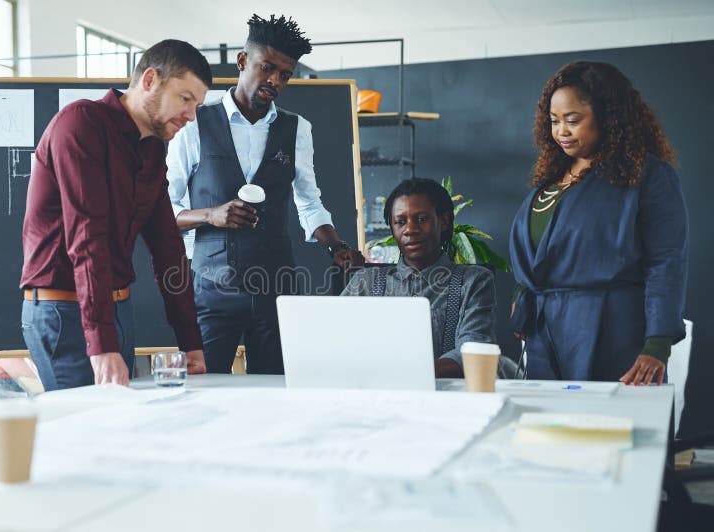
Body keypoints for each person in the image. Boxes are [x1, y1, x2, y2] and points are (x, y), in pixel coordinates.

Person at [167, 14, 364, 375]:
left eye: (285, 75)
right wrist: (210, 215)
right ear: (243, 62)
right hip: (213, 285)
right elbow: (165, 210)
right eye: (267, 68)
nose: (274, 81)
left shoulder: (296, 128)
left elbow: (308, 200)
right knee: (205, 388)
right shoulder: (195, 122)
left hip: (277, 287)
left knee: (274, 389)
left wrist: (336, 246)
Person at [20, 40, 211, 391]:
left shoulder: (153, 149)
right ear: (150, 79)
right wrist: (102, 344)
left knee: (119, 432)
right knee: (83, 434)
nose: (191, 115)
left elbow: (168, 246)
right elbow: (87, 237)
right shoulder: (79, 125)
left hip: (116, 311)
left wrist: (190, 339)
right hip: (65, 314)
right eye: (185, 98)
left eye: (197, 104)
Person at [509, 61, 689, 385]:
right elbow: (538, 255)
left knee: (606, 431)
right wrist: (522, 295)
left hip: (613, 333)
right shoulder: (549, 180)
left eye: (573, 120)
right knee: (550, 431)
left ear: (608, 116)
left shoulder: (647, 175)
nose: (561, 131)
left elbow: (666, 262)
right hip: (544, 334)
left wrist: (658, 344)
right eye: (554, 121)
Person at [341, 178, 497, 378]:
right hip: (375, 398)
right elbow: (337, 343)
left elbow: (473, 353)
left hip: (447, 401)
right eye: (400, 221)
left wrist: (399, 373)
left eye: (421, 219)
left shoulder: (473, 281)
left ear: (444, 221)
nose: (410, 229)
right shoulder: (366, 282)